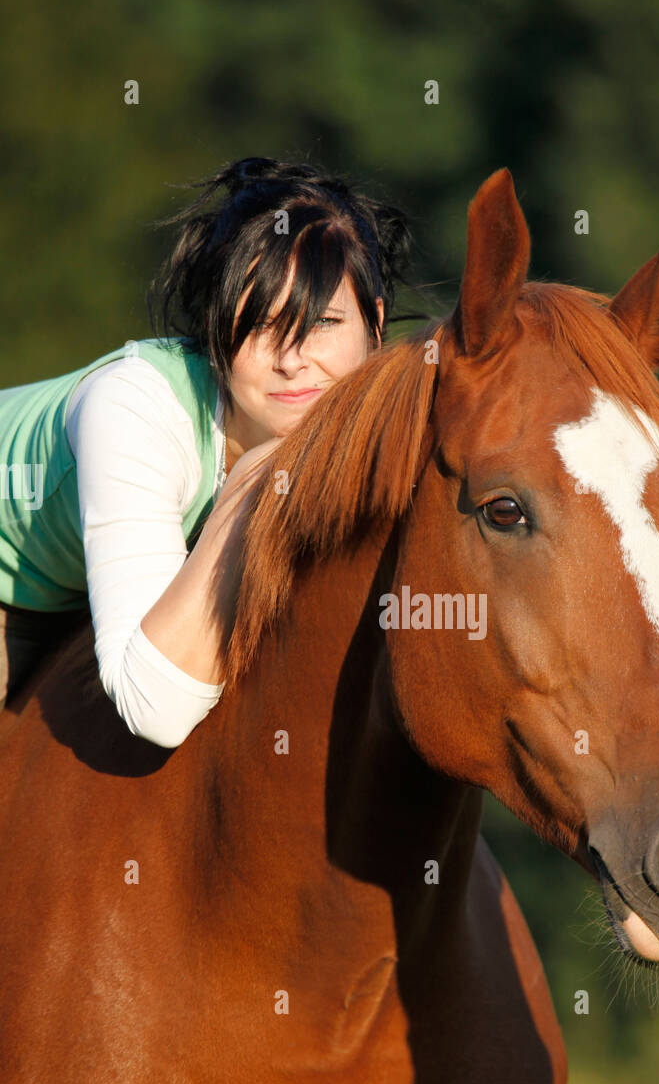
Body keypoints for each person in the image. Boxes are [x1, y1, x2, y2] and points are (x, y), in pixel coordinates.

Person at [0, 158, 412, 745]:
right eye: (257, 325)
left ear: (374, 324)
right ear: (215, 334)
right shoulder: (134, 406)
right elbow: (154, 710)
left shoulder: (383, 416)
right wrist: (254, 479)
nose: (292, 360)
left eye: (321, 321)